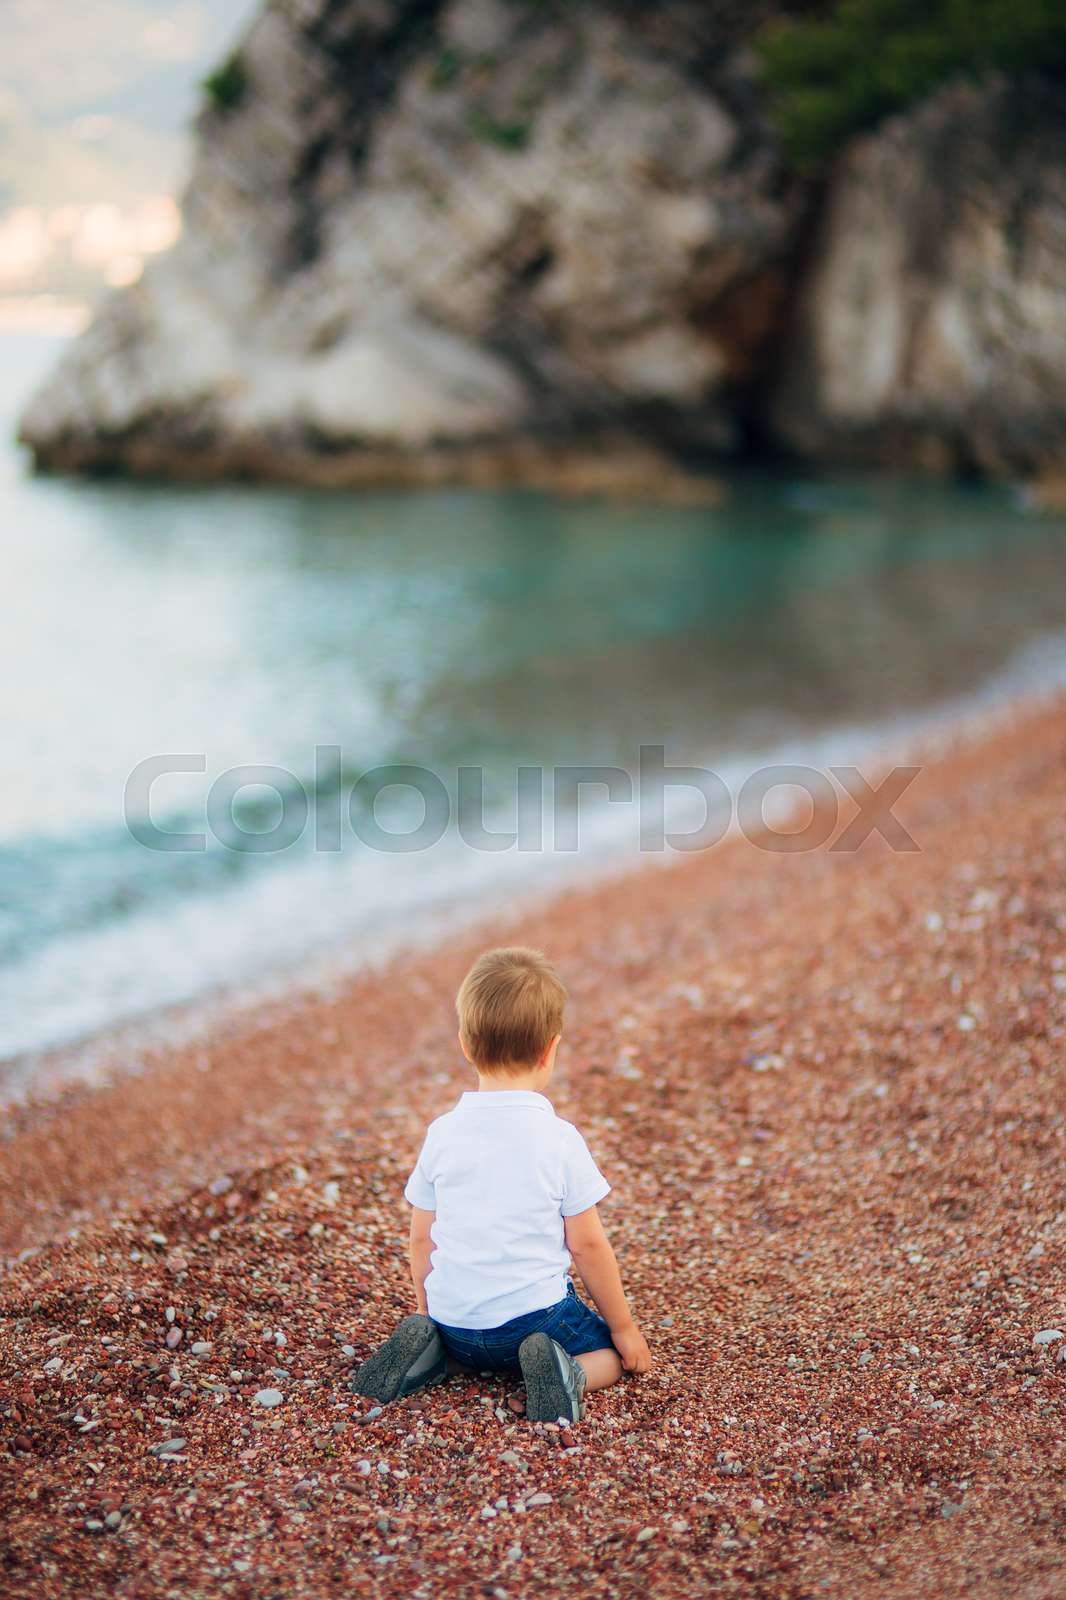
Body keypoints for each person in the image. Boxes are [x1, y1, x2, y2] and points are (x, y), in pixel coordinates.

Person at [350, 946, 652, 1421]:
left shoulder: (442, 1134)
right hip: (534, 1323)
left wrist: (429, 1314)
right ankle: (568, 1374)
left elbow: (421, 1236)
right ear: (551, 1049)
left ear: (466, 1046)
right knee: (609, 1357)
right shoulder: (559, 1140)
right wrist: (625, 1327)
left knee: (463, 1344)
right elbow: (588, 1245)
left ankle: (434, 1354)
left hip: (455, 1323)